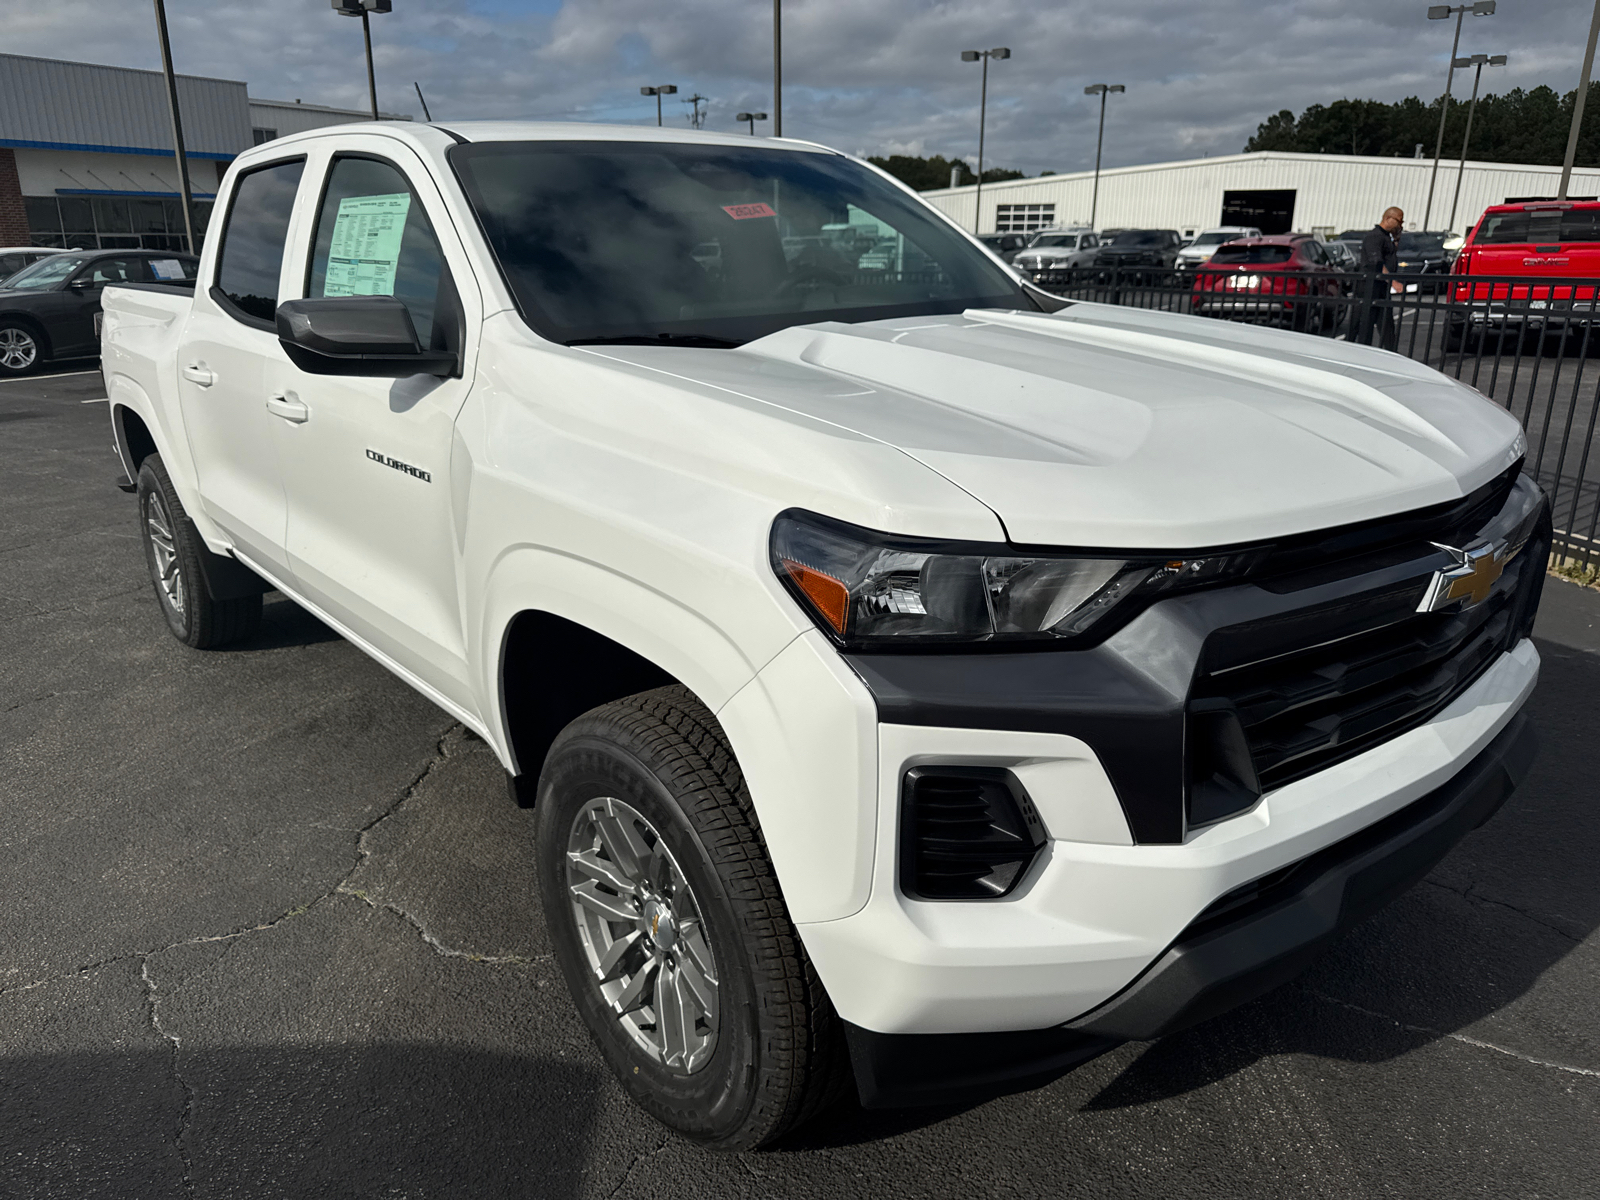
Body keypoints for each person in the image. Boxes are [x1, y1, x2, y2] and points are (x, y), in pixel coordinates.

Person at [1355, 207, 1404, 350]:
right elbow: (1376, 262)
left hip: (1381, 287)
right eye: (1399, 221)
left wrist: (1396, 239)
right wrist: (1393, 281)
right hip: (1370, 287)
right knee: (1365, 325)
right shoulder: (1375, 236)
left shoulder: (1386, 237)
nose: (1400, 225)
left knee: (1387, 327)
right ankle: (1362, 352)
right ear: (1388, 218)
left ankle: (1390, 354)